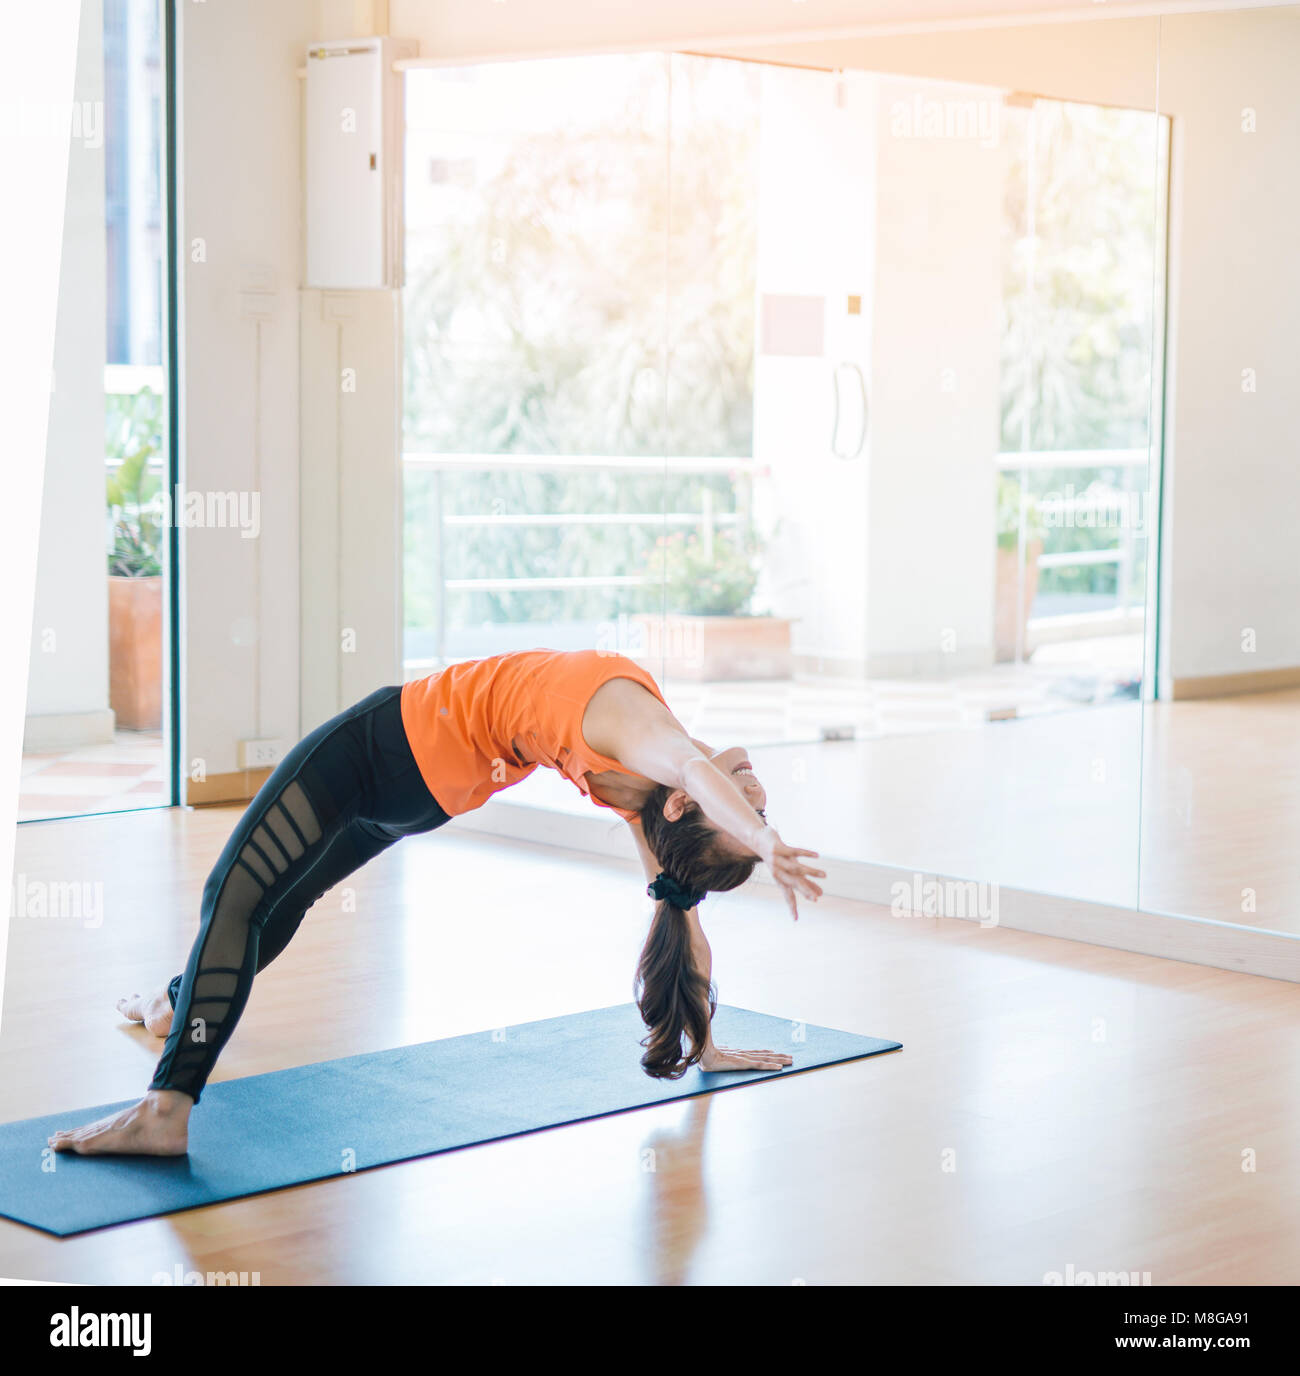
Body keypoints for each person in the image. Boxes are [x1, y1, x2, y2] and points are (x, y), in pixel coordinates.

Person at [48, 649, 824, 1156]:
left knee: (236, 893)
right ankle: (175, 1004)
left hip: (385, 746)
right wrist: (707, 1043)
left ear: (696, 808)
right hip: (426, 796)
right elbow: (676, 908)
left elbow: (695, 768)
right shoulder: (643, 801)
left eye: (743, 799)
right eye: (752, 798)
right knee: (280, 899)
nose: (753, 782)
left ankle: (167, 1109)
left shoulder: (654, 742)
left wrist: (761, 836)